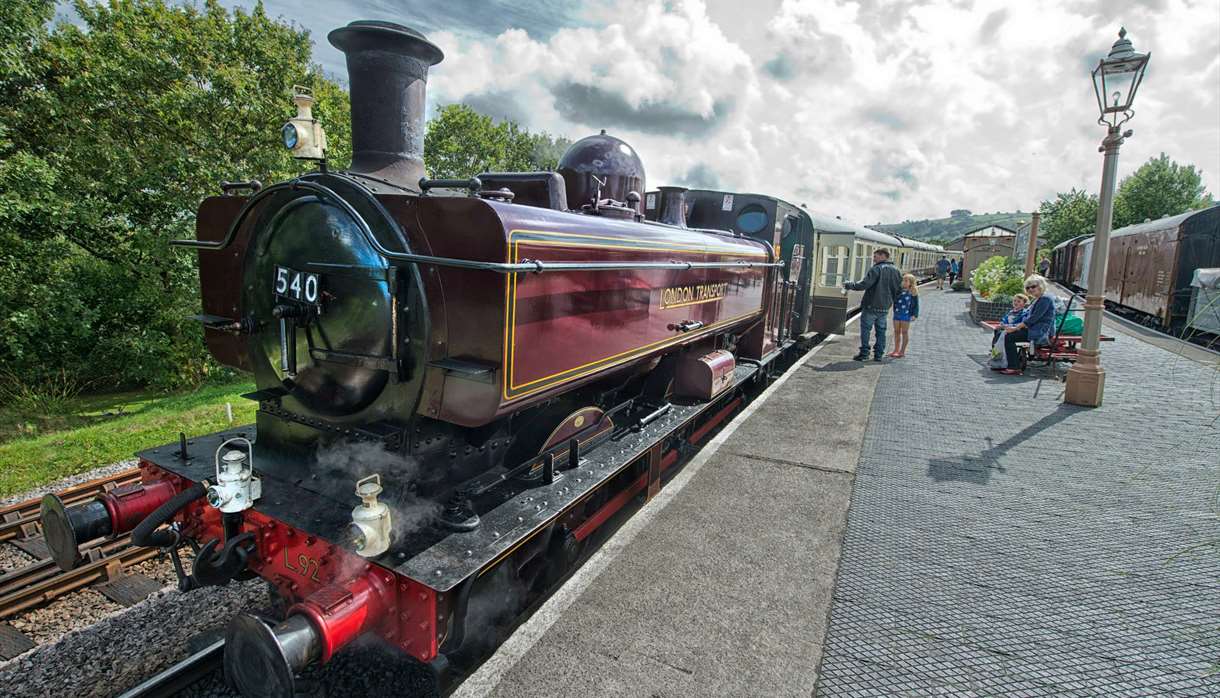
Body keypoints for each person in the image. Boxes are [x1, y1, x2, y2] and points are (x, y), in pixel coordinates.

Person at [844, 248, 903, 361]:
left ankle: (864, 353)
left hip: (871, 306)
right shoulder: (896, 271)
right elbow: (899, 290)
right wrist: (890, 301)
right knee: (881, 331)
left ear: (883, 256)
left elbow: (864, 285)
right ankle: (878, 354)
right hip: (885, 308)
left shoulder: (876, 269)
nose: (873, 259)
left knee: (866, 330)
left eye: (875, 256)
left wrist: (850, 285)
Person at [999, 275, 1055, 375]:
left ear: (1040, 286)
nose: (1030, 289)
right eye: (1028, 288)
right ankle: (1007, 362)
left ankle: (1013, 367)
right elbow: (1027, 318)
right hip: (1033, 328)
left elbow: (1033, 318)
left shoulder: (1045, 299)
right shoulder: (1038, 299)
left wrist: (1015, 328)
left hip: (1040, 331)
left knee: (1010, 337)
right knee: (1003, 332)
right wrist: (1012, 325)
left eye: (1033, 287)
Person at [990, 294, 1028, 367]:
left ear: (1024, 304)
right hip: (1006, 328)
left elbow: (1021, 324)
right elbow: (1004, 319)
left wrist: (1008, 326)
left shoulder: (1024, 313)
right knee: (997, 330)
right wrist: (1002, 324)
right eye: (1015, 301)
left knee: (1003, 335)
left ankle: (999, 350)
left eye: (1019, 301)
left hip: (1014, 329)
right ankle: (996, 348)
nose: (1016, 303)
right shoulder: (1010, 312)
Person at [888, 274, 920, 358]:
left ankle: (902, 351)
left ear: (911, 283)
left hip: (906, 315)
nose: (903, 282)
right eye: (903, 280)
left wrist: (914, 315)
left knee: (904, 332)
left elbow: (916, 305)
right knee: (896, 332)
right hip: (897, 314)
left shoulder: (913, 292)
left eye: (906, 281)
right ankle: (896, 350)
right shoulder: (899, 290)